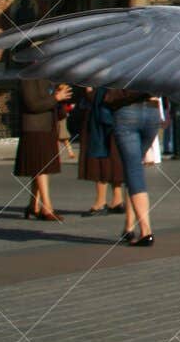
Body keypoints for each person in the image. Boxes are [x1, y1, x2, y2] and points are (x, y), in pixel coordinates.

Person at [105, 87, 162, 245]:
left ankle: (146, 231)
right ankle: (129, 226)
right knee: (134, 168)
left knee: (133, 170)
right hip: (152, 111)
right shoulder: (151, 61)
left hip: (126, 110)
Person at [15, 78, 71, 221]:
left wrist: (59, 95)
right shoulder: (28, 78)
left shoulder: (47, 77)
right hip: (35, 128)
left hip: (47, 127)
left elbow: (49, 101)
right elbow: (32, 104)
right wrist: (55, 97)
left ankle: (34, 205)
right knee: (42, 167)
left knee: (39, 167)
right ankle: (47, 207)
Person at [74, 86, 126, 217]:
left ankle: (100, 202)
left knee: (99, 159)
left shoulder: (98, 75)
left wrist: (89, 91)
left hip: (98, 121)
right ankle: (117, 199)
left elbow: (96, 96)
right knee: (115, 157)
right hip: (115, 119)